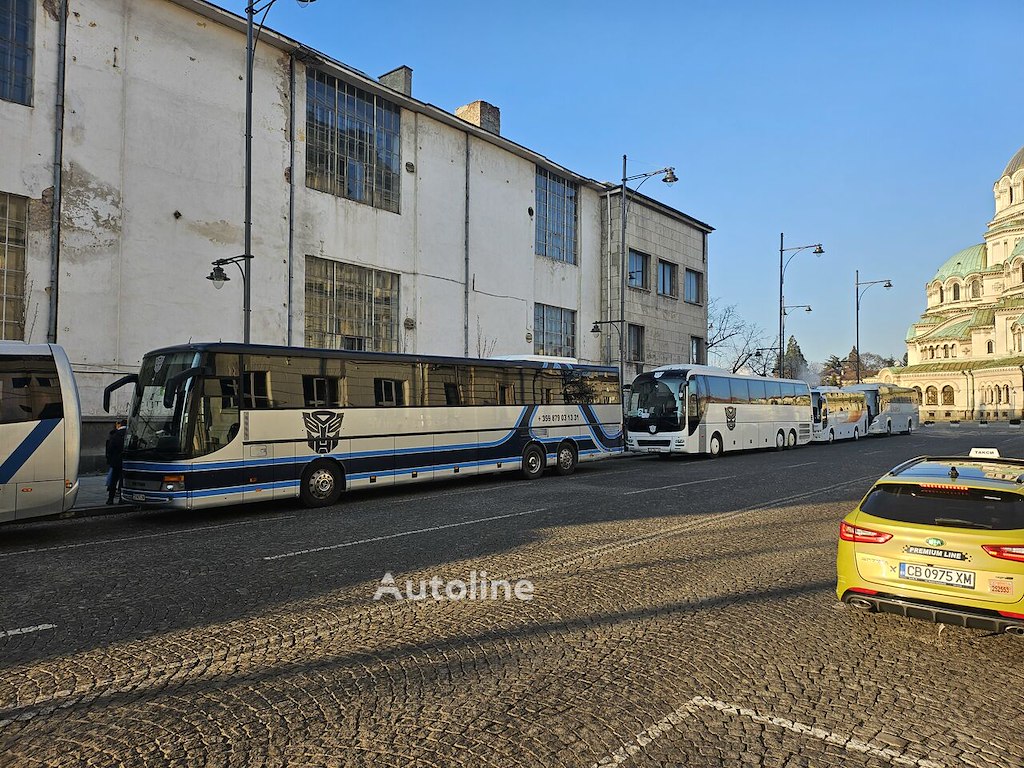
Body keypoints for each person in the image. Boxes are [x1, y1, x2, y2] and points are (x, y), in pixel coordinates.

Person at [105, 419, 127, 505]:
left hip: (115, 461)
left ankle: (110, 499)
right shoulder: (129, 434)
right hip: (126, 461)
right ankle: (122, 499)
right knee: (122, 481)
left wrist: (110, 459)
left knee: (113, 481)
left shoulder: (115, 434)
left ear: (120, 425)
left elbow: (110, 449)